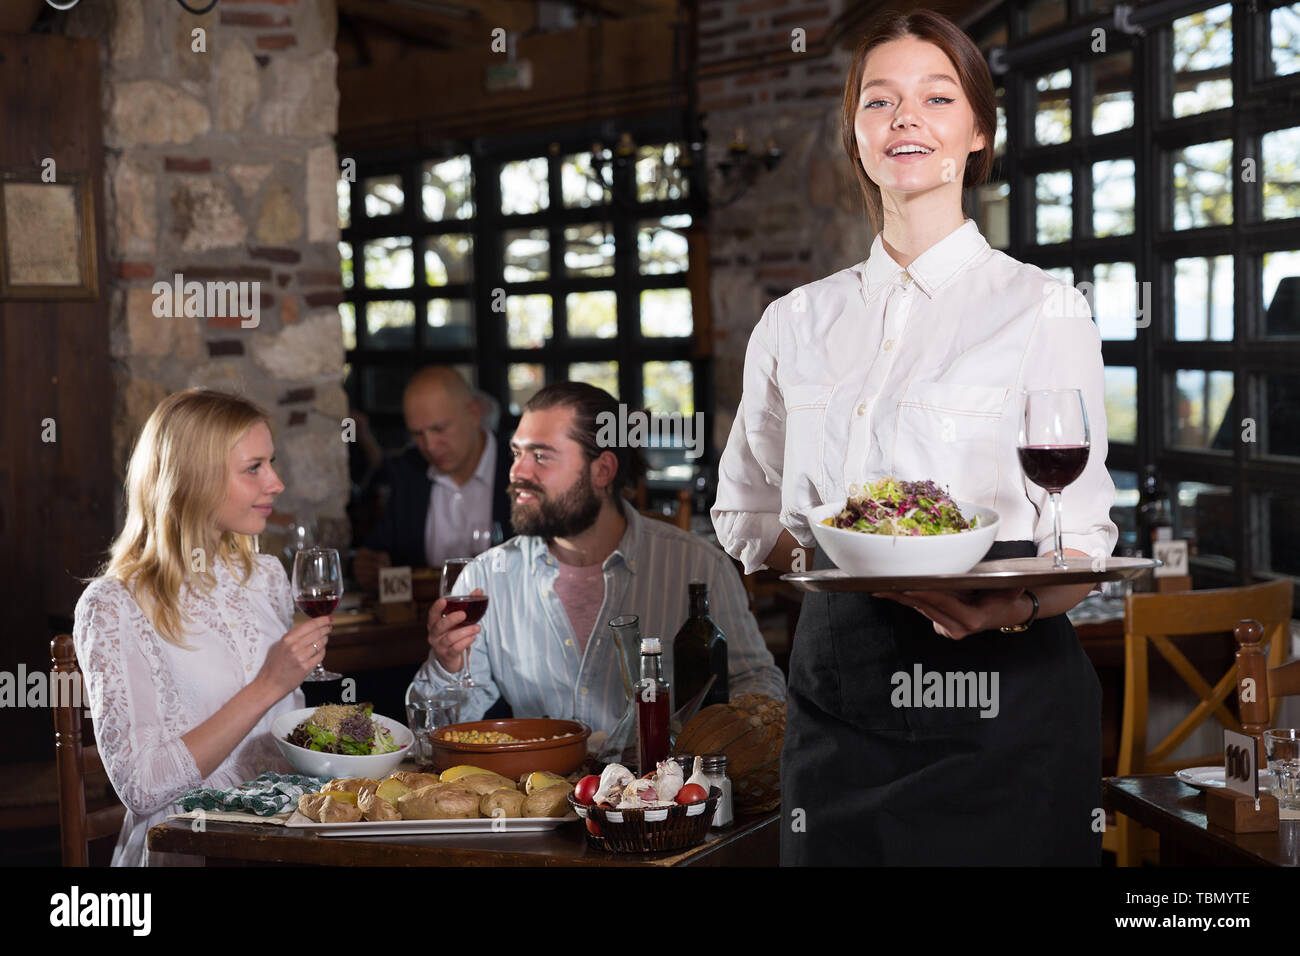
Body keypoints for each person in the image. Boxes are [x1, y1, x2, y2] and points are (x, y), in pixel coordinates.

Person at [711, 10, 1117, 865]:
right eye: (879, 101)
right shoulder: (794, 322)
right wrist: (818, 556)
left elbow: (1079, 538)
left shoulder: (1044, 309)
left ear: (976, 132)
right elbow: (745, 508)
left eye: (938, 97)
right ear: (855, 135)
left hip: (1004, 694)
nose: (905, 119)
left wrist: (1012, 605)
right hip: (836, 694)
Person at [415, 382, 786, 739]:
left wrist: (717, 741)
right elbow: (435, 728)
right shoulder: (486, 578)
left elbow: (758, 682)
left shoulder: (700, 568)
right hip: (539, 801)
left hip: (664, 797)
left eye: (541, 456)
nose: (518, 473)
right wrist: (447, 667)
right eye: (517, 453)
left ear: (602, 471)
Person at [73, 388, 333, 866]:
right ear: (192, 479)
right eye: (253, 468)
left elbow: (283, 735)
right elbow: (142, 787)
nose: (275, 483)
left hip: (285, 831)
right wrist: (268, 685)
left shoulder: (267, 576)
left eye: (270, 463)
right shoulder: (113, 605)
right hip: (190, 844)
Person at [354, 367, 514, 590]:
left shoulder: (519, 469)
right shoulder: (410, 471)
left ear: (474, 414)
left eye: (439, 429)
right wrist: (367, 564)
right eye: (418, 434)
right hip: (426, 620)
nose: (429, 446)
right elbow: (378, 551)